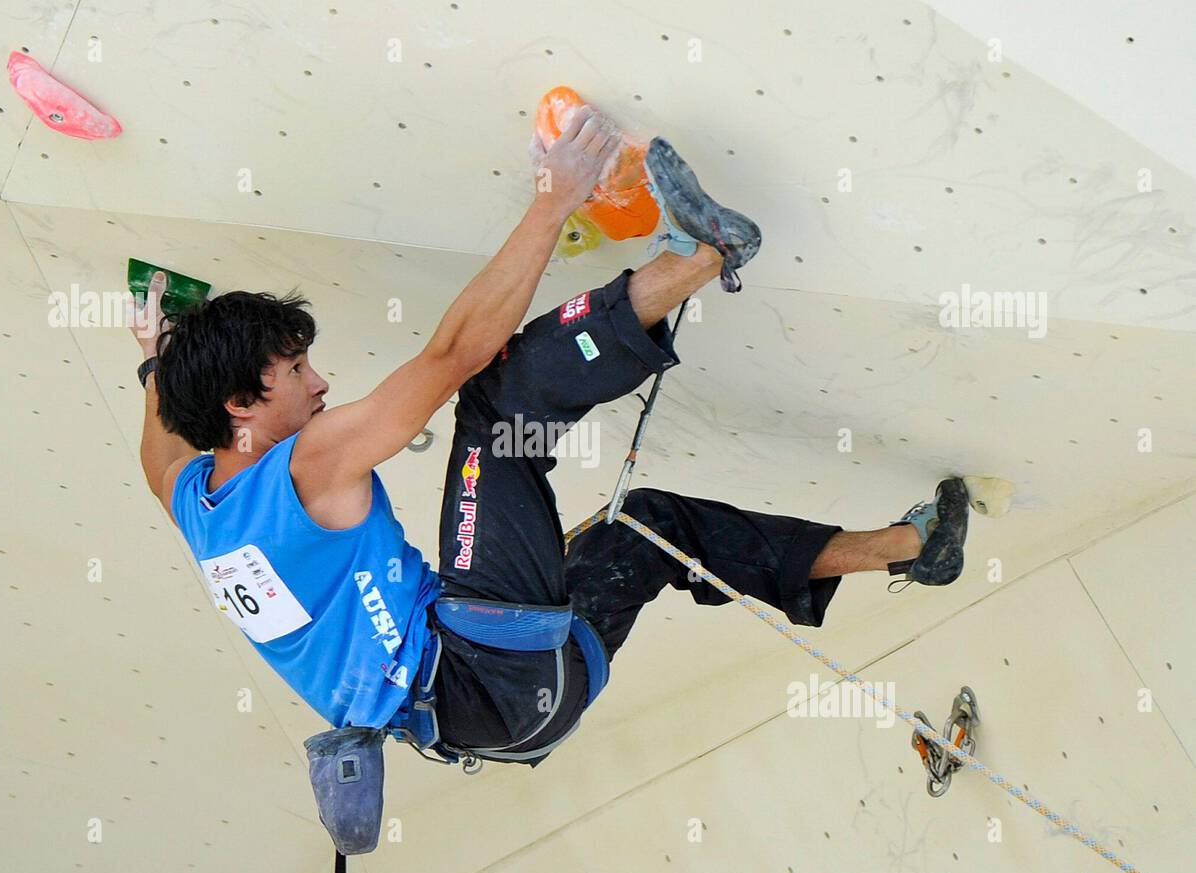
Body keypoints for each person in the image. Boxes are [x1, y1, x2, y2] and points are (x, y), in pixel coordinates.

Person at [130, 106, 970, 772]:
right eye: (297, 370)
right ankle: (704, 252)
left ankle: (909, 548)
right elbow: (455, 354)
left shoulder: (197, 504)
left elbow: (156, 452)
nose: (321, 384)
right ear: (241, 403)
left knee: (647, 529)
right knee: (494, 411)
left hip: (515, 719)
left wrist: (159, 367)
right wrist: (554, 194)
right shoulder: (302, 467)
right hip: (481, 667)